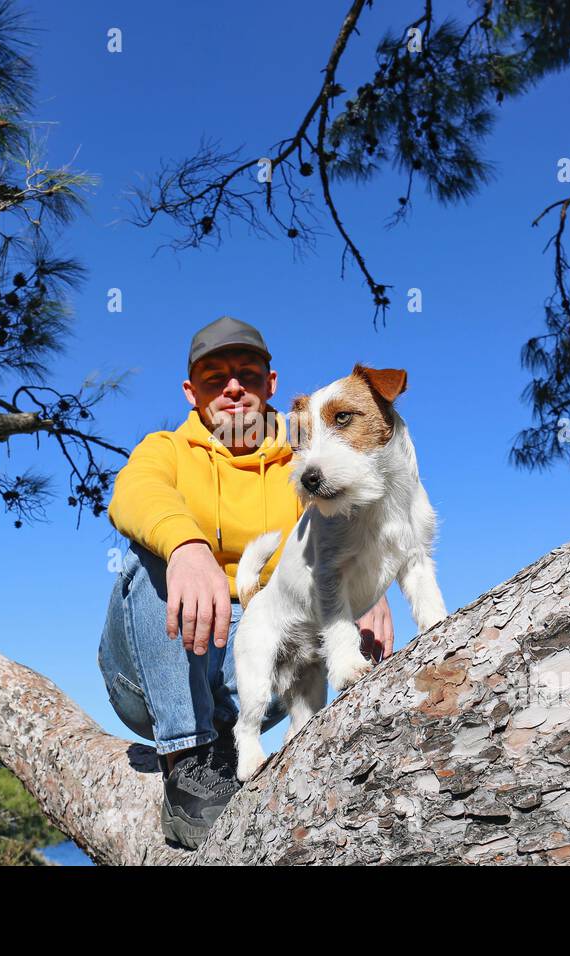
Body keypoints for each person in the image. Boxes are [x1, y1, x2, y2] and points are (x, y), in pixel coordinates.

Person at [99, 315, 394, 849]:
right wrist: (188, 548)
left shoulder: (310, 459)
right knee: (151, 559)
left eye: (247, 374)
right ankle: (187, 760)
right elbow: (134, 491)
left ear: (271, 384)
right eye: (214, 377)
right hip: (148, 673)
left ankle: (235, 746)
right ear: (192, 392)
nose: (232, 387)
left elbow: (354, 530)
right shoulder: (164, 448)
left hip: (254, 668)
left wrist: (370, 589)